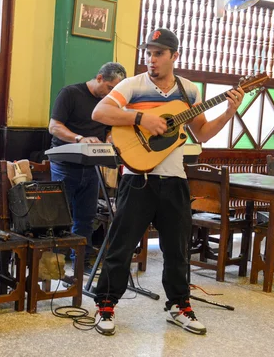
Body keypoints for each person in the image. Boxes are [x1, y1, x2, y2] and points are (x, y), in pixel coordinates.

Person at [91, 28, 244, 336]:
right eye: (149, 52)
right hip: (138, 179)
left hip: (175, 179)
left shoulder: (189, 92)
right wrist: (140, 119)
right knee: (121, 246)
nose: (152, 59)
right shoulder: (132, 84)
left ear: (175, 56)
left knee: (177, 249)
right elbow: (100, 111)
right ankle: (106, 305)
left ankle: (179, 305)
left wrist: (229, 112)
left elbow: (201, 133)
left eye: (159, 53)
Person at [48, 62, 126, 275]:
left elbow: (109, 130)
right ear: (99, 78)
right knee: (60, 215)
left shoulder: (108, 103)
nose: (111, 94)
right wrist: (80, 138)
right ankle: (54, 263)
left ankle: (82, 262)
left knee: (86, 216)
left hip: (92, 165)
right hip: (65, 163)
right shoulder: (71, 93)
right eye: (110, 88)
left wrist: (110, 139)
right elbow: (54, 127)